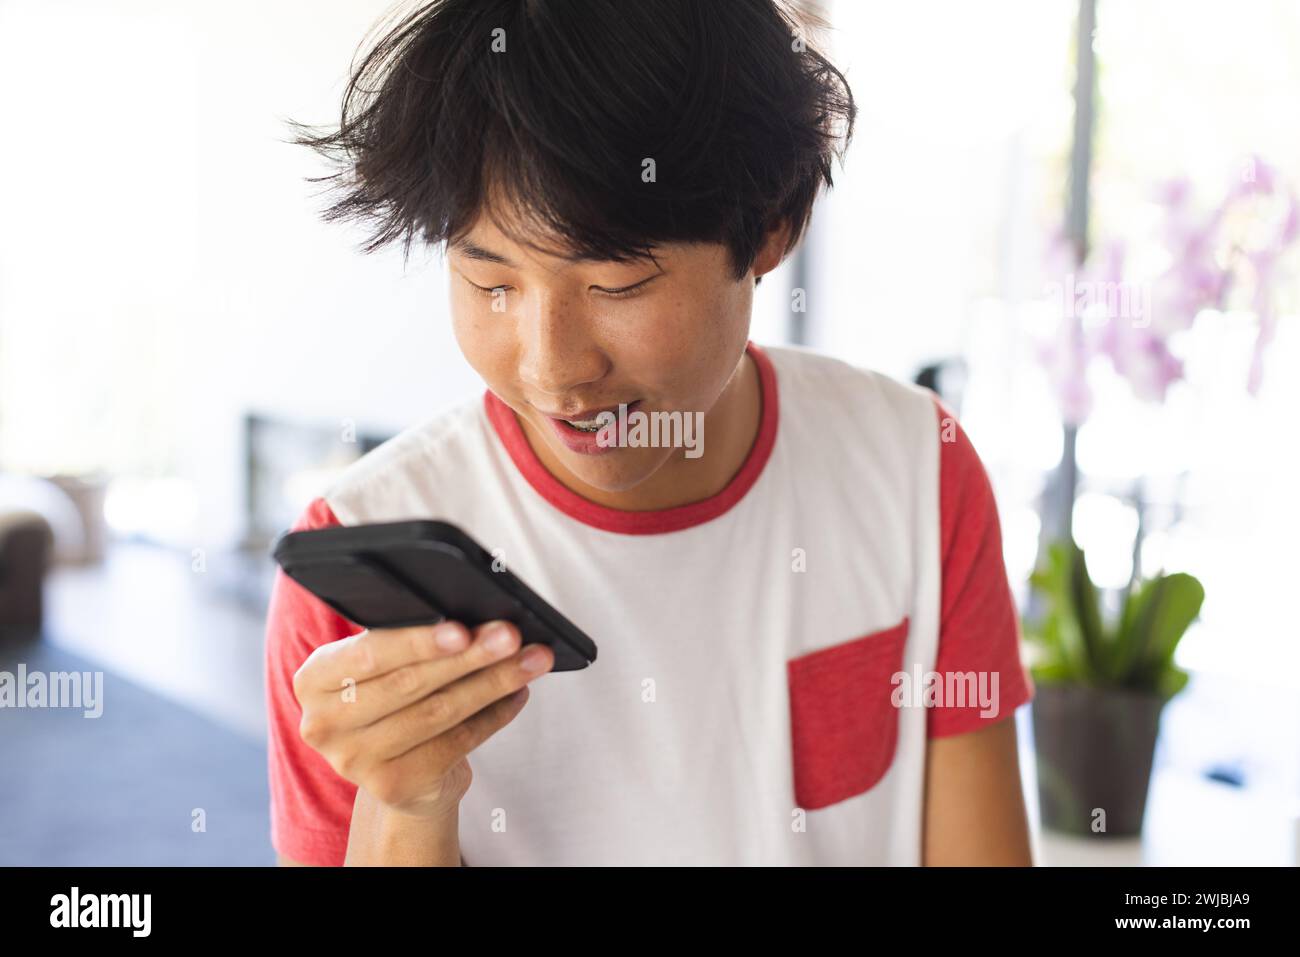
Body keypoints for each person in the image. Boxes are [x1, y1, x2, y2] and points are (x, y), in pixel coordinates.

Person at [266, 0, 1034, 866]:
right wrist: (408, 805)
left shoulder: (912, 467)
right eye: (492, 283)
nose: (553, 368)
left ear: (773, 228)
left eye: (619, 284)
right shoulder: (359, 567)